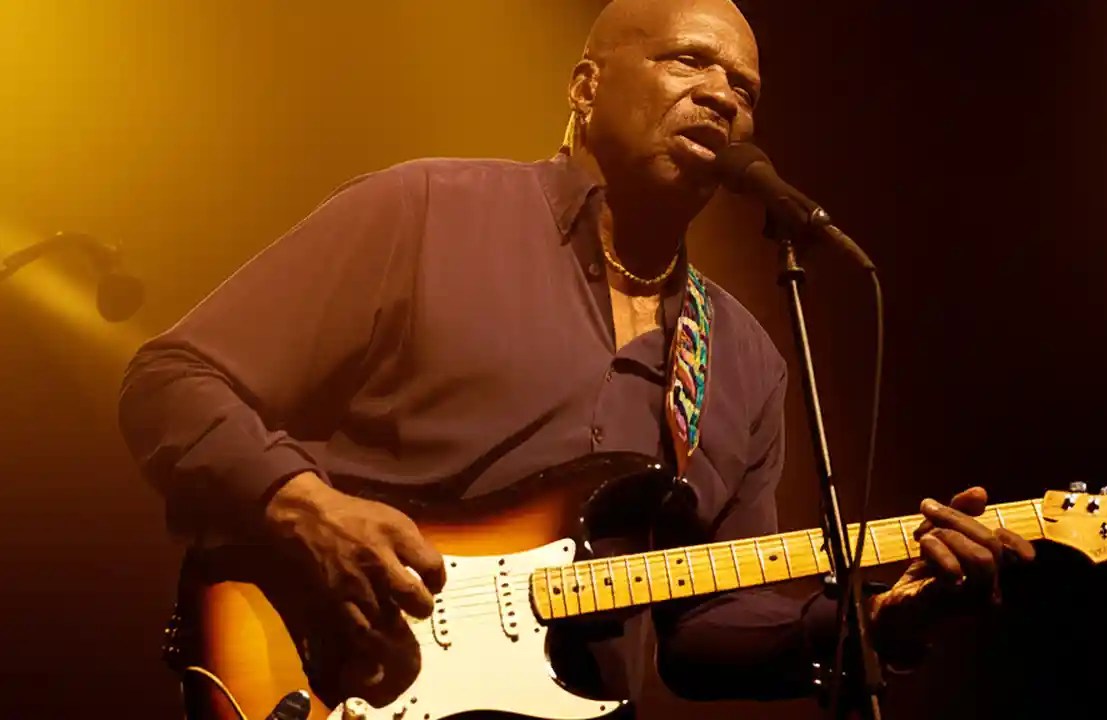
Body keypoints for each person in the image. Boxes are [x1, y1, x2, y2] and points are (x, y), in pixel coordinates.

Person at [118, 0, 1034, 714]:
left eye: (745, 87)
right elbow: (169, 383)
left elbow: (703, 633)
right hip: (331, 677)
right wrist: (301, 506)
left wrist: (877, 622)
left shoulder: (746, 363)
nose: (721, 92)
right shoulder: (427, 211)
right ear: (586, 88)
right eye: (688, 60)